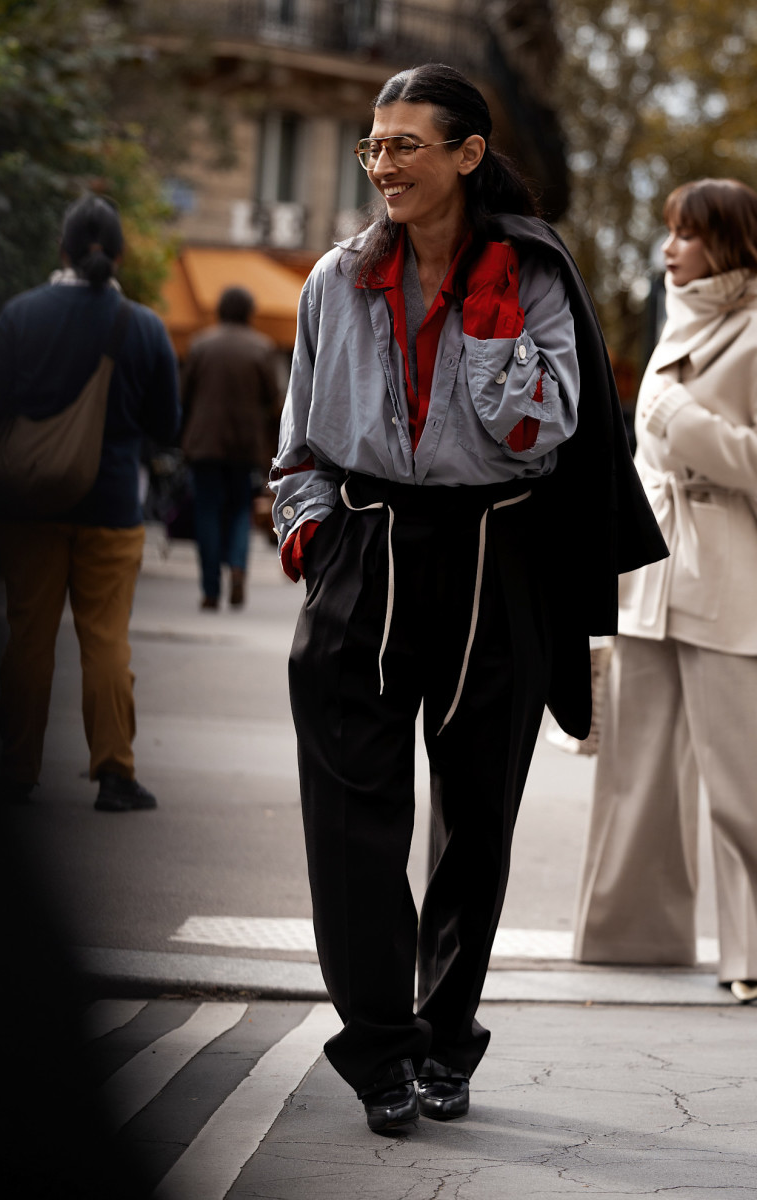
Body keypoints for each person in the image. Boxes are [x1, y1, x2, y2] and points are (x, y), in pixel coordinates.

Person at [270, 62, 667, 1133]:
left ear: (465, 154)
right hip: (366, 552)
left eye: (405, 145)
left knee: (473, 823)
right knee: (350, 820)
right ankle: (379, 1047)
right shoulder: (329, 280)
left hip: (497, 557)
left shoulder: (532, 276)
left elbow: (546, 435)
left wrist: (491, 337)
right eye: (373, 146)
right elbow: (297, 438)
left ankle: (445, 1038)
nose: (383, 165)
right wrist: (310, 529)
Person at [574, 178, 757, 1007]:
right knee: (634, 769)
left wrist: (687, 425)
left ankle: (747, 955)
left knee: (739, 780)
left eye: (684, 235)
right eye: (668, 234)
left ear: (727, 241)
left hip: (728, 575)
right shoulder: (676, 319)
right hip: (652, 572)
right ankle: (634, 938)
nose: (668, 250)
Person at [0, 194, 180, 811]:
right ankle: (114, 773)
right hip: (112, 505)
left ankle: (17, 768)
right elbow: (167, 423)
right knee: (107, 641)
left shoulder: (20, 315)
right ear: (118, 255)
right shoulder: (142, 326)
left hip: (29, 503)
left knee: (29, 636)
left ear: (61, 249)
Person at [181, 286, 279, 609]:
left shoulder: (200, 345)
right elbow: (275, 402)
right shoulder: (262, 348)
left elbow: (184, 396)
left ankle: (210, 589)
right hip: (244, 445)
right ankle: (237, 569)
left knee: (207, 511)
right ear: (249, 311)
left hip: (205, 444)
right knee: (239, 511)